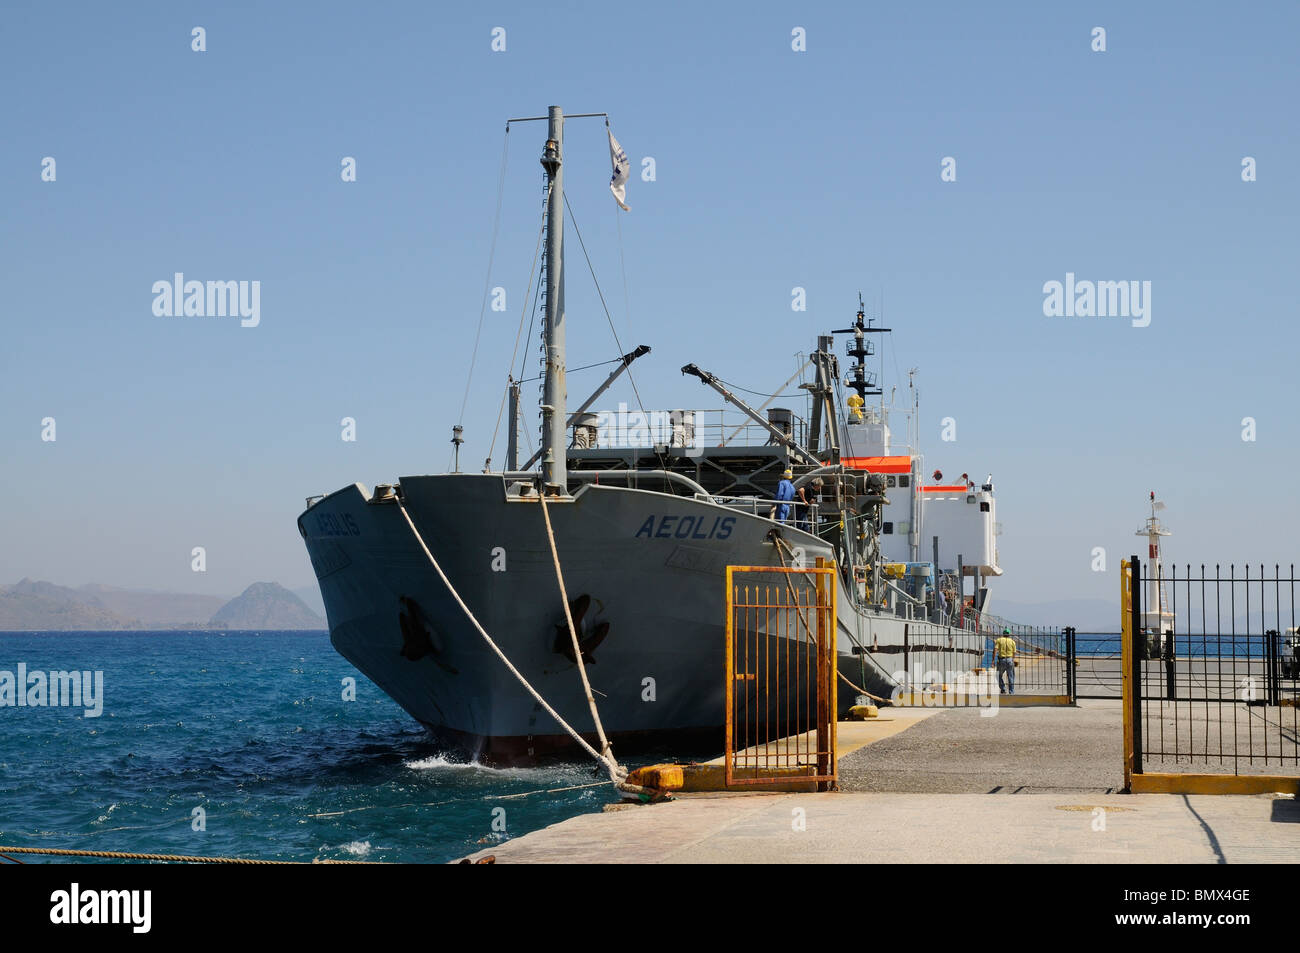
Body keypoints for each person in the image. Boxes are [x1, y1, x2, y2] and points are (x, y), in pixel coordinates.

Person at [993, 627, 1017, 695]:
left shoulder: (999, 640)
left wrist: (993, 661)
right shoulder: (1012, 642)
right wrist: (1012, 659)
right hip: (1010, 660)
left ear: (1003, 634)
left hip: (1001, 660)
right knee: (1011, 676)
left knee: (998, 675)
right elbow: (1014, 652)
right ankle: (1011, 692)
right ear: (1009, 634)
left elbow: (995, 650)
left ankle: (1003, 689)